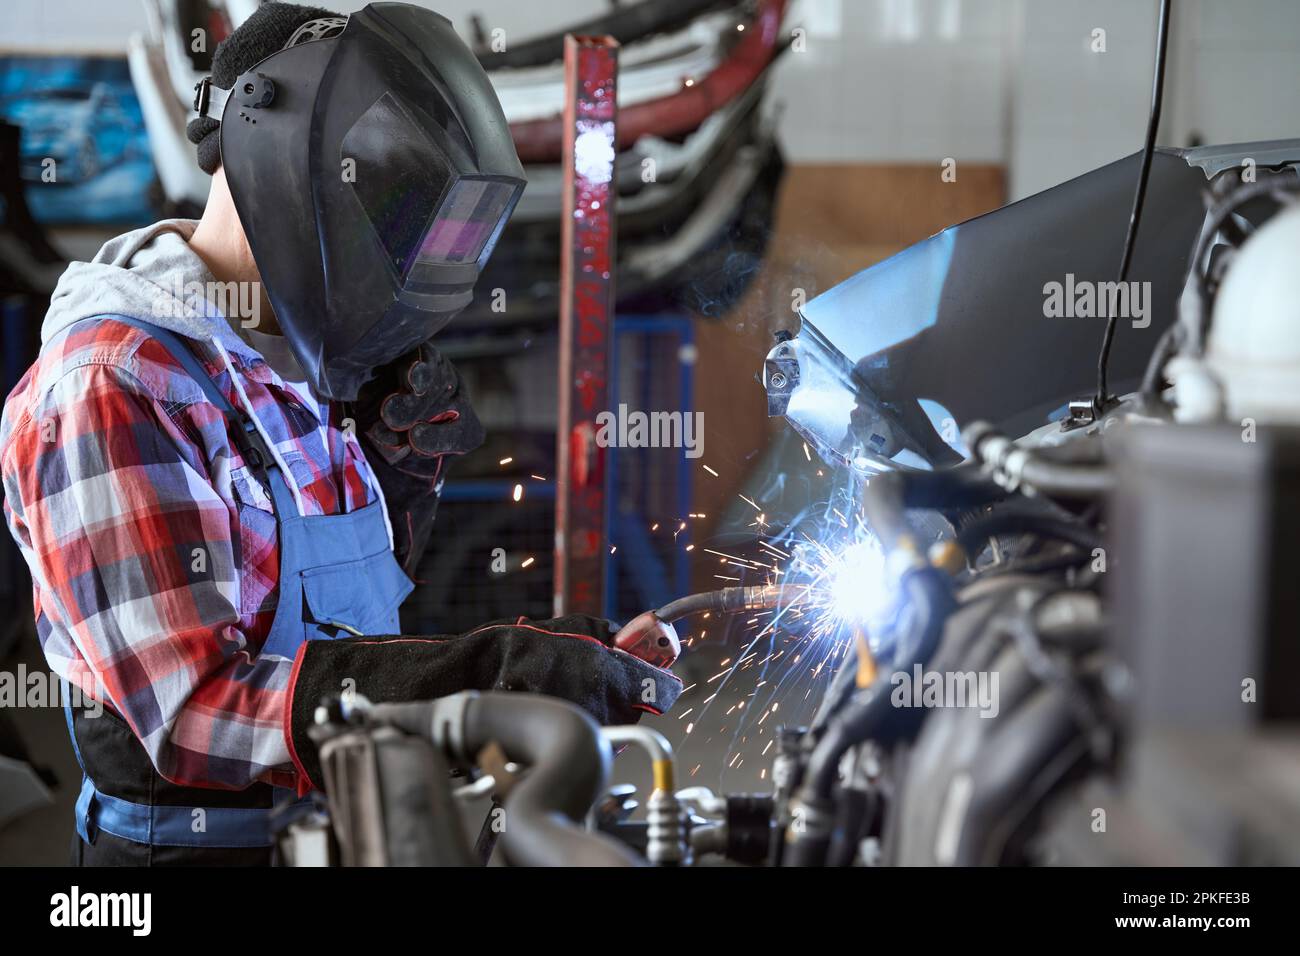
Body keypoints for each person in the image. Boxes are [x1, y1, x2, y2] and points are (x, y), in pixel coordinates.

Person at [0, 2, 680, 866]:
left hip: (345, 820)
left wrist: (522, 644)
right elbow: (195, 714)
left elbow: (337, 638)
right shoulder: (113, 383)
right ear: (283, 155)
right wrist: (483, 679)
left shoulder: (291, 357)